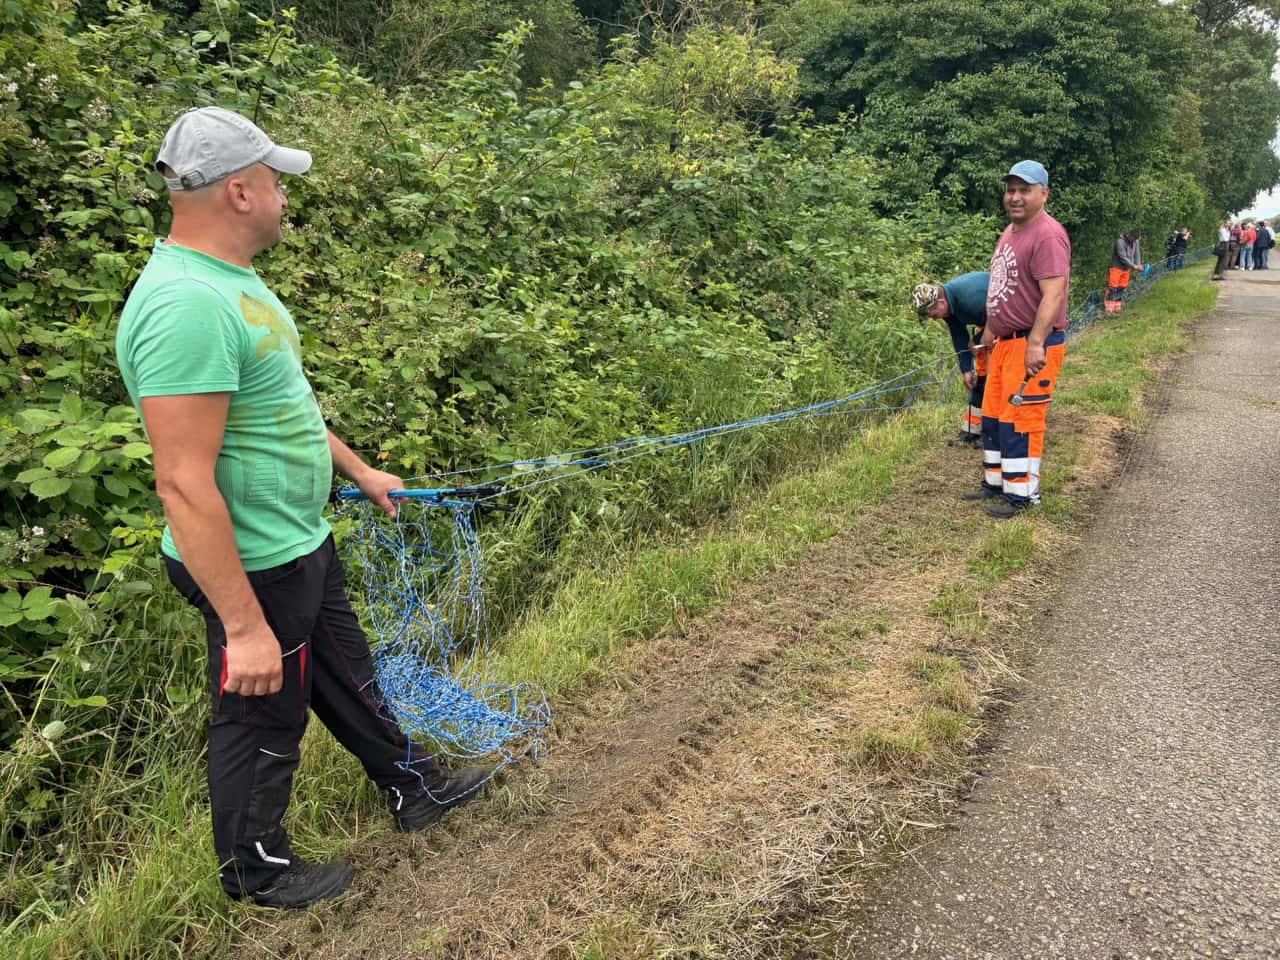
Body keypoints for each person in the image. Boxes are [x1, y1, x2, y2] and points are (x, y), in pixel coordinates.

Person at [115, 107, 489, 910]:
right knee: (262, 716)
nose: (286, 197)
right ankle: (257, 870)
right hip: (251, 564)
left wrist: (360, 471)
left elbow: (284, 405)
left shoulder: (232, 282)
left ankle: (415, 786)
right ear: (240, 192)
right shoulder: (185, 306)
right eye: (277, 181)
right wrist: (245, 628)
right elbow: (182, 483)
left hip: (297, 540)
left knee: (349, 675)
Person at [962, 160, 1070, 519]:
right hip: (1003, 344)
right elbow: (1004, 287)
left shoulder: (1047, 235)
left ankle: (1022, 496)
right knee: (995, 416)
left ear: (1044, 193)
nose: (1015, 197)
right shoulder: (1010, 231)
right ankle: (996, 483)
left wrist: (1036, 343)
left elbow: (1053, 294)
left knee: (1021, 420)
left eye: (1025, 189)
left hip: (1029, 343)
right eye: (1011, 190)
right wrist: (989, 333)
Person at [911, 272, 990, 447]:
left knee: (995, 381)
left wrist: (978, 340)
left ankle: (993, 433)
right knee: (979, 380)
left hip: (1006, 321)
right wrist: (966, 370)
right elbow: (959, 335)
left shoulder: (969, 299)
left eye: (932, 314)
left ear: (941, 302)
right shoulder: (948, 308)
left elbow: (1002, 314)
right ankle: (972, 430)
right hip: (987, 322)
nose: (933, 318)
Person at [1105, 229, 1144, 312]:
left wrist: (1138, 264)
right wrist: (1134, 266)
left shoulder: (1136, 241)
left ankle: (1117, 306)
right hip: (1116, 267)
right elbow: (1123, 258)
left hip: (1126, 268)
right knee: (1113, 287)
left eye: (1136, 239)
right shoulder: (1120, 242)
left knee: (1122, 287)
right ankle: (1108, 308)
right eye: (1133, 238)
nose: (1134, 240)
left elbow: (1137, 253)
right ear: (1129, 235)